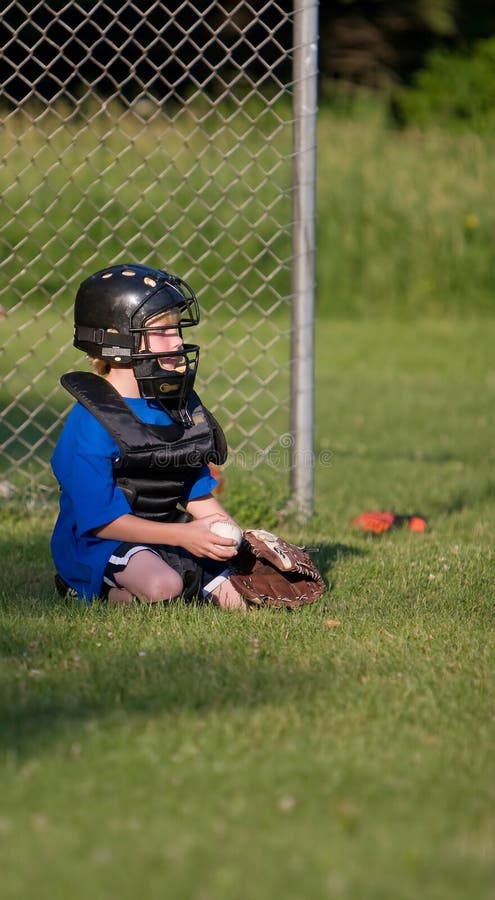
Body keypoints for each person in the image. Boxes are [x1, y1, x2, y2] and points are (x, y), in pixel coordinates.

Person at [50, 263, 247, 610]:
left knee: (241, 595)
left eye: (177, 330)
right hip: (101, 539)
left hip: (165, 529)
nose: (178, 342)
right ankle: (77, 586)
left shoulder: (175, 407)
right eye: (163, 331)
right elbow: (102, 521)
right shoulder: (92, 422)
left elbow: (195, 492)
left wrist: (239, 539)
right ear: (116, 339)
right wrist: (185, 536)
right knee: (163, 585)